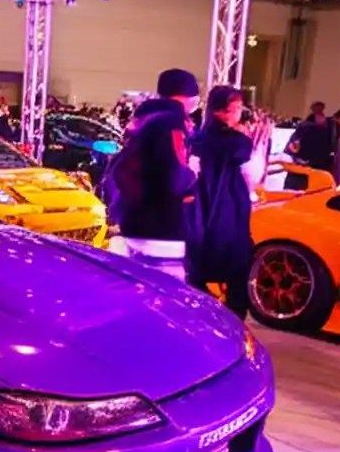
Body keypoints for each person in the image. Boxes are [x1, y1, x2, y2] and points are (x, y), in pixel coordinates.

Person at [103, 68, 200, 278]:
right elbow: (176, 178)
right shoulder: (172, 124)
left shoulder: (143, 120)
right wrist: (193, 177)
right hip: (162, 228)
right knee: (166, 301)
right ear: (187, 95)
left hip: (134, 222)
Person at [189, 86, 255, 319]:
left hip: (201, 202)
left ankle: (201, 308)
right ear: (221, 111)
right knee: (237, 260)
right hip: (229, 204)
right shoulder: (239, 143)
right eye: (236, 108)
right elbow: (251, 176)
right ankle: (234, 318)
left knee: (198, 258)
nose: (240, 113)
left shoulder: (196, 138)